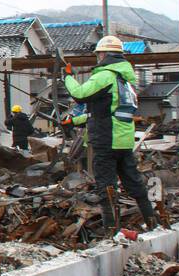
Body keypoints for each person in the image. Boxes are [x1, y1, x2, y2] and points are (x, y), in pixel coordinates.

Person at [63, 35, 159, 230]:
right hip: (123, 139)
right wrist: (75, 120)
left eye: (98, 54)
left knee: (105, 186)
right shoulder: (125, 81)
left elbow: (80, 94)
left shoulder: (105, 75)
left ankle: (111, 232)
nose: (98, 58)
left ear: (104, 54)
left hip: (106, 139)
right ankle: (153, 222)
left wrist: (67, 78)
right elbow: (107, 112)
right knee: (134, 182)